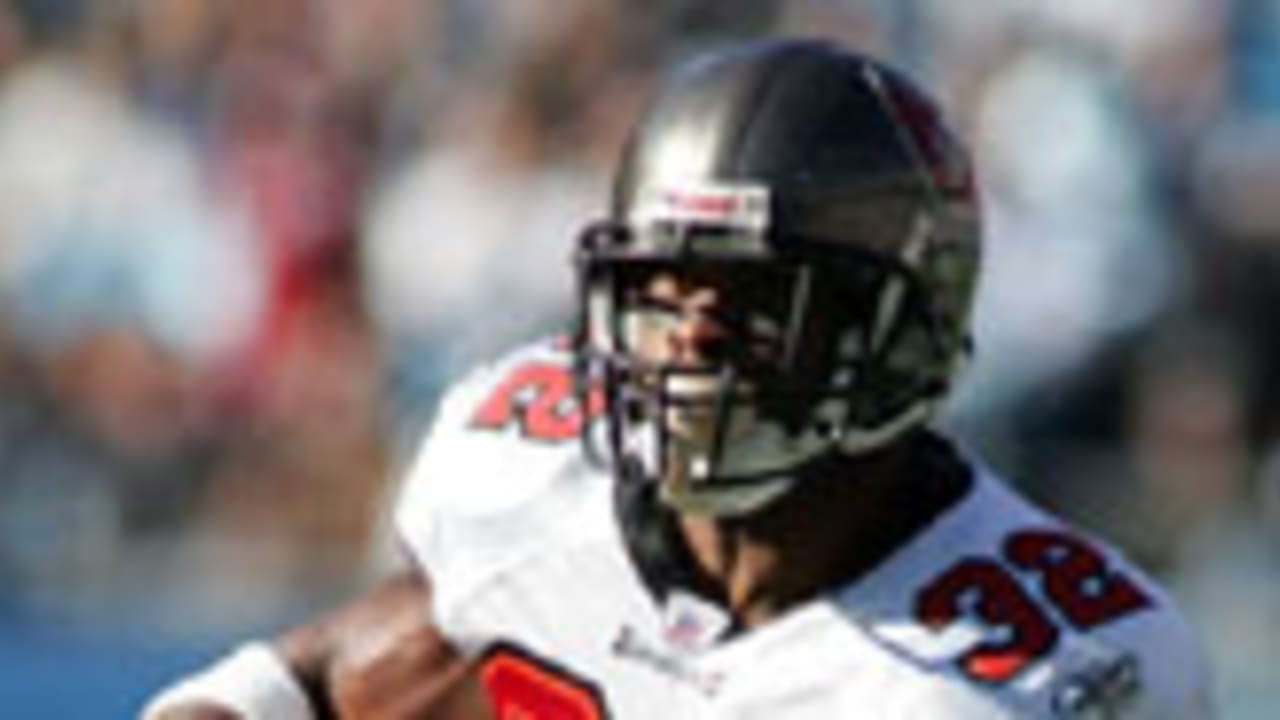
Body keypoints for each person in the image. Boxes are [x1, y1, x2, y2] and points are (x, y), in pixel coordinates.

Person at [143, 38, 1214, 719]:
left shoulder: (1066, 666)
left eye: (756, 302)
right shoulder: (530, 471)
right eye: (662, 289)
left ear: (897, 328)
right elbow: (337, 679)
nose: (690, 340)